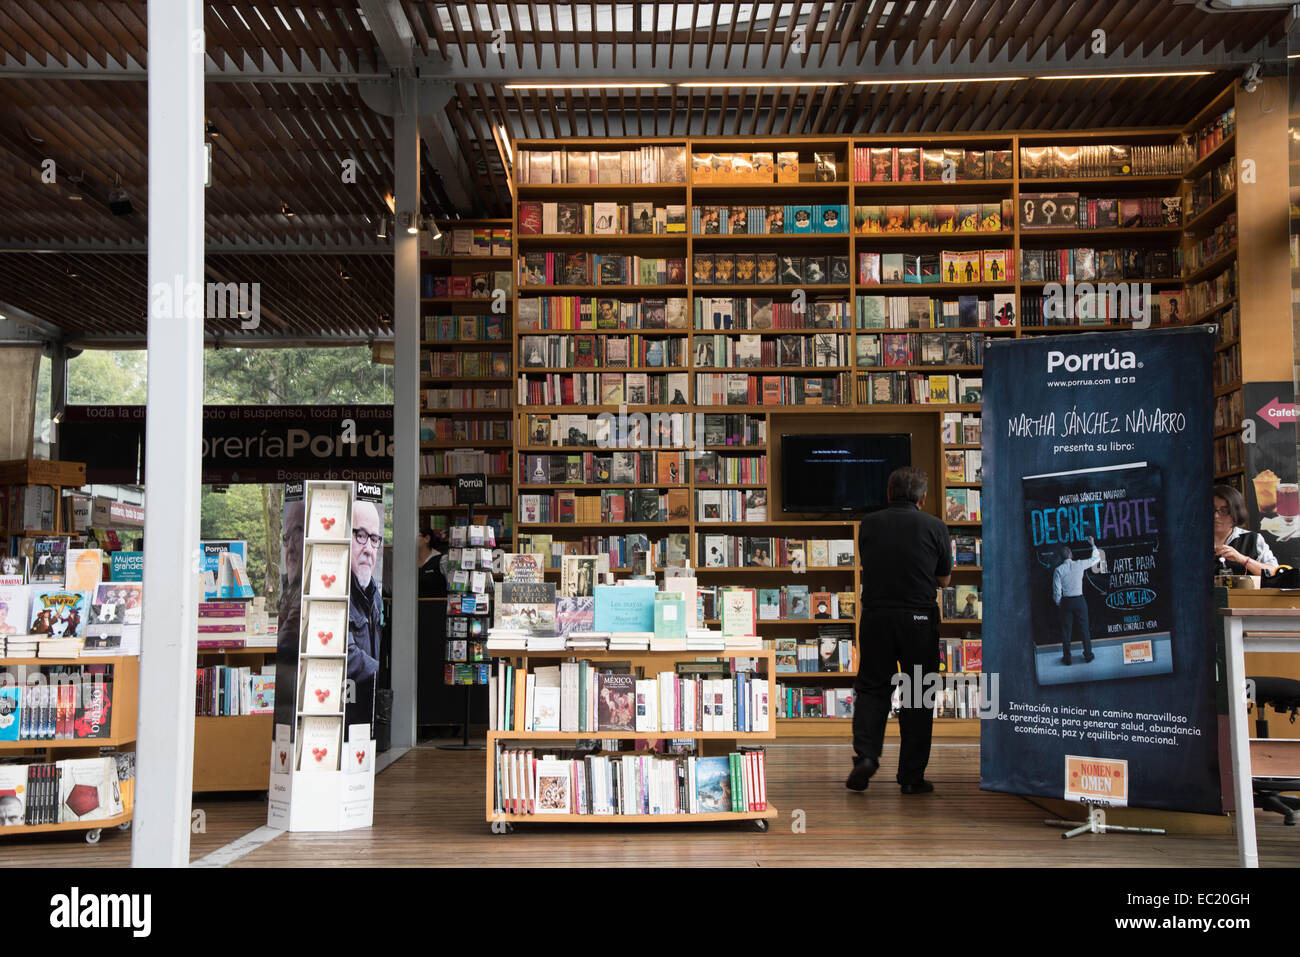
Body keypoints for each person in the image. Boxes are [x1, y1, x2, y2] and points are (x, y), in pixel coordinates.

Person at [847, 467, 950, 795]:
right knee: (919, 692)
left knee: (873, 687)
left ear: (889, 494)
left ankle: (866, 755)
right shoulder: (935, 526)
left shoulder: (869, 524)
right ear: (923, 497)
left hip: (876, 617)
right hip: (919, 619)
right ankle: (911, 776)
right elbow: (944, 580)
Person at [348, 501, 384, 729]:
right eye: (361, 536)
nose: (369, 549)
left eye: (374, 539)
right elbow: (345, 654)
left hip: (366, 713)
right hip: (344, 713)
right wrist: (387, 676)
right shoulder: (334, 591)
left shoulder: (374, 595)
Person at [1054, 537, 1102, 665]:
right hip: (1079, 600)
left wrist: (1060, 603)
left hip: (1066, 602)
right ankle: (1088, 655)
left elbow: (1057, 591)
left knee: (1066, 631)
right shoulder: (1079, 564)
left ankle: (1067, 659)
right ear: (1070, 554)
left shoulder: (1058, 570)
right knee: (1084, 629)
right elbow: (1096, 559)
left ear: (1062, 557)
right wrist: (1093, 545)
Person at [1214, 484, 1279, 576]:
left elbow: (1274, 573)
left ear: (1236, 513)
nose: (1215, 516)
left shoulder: (1253, 539)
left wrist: (1243, 559)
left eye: (1224, 511)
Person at [417, 527, 447, 599]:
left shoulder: (442, 560)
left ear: (427, 538)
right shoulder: (407, 561)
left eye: (415, 535)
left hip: (436, 607)